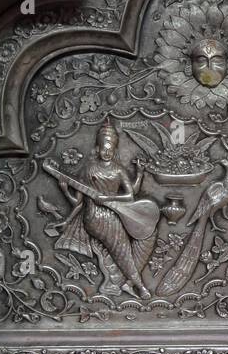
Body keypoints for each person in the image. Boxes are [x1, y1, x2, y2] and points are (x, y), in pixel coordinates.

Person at [54, 116, 155, 300]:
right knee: (122, 251)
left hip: (114, 214)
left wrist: (137, 175)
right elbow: (78, 203)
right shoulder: (89, 169)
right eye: (104, 148)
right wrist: (64, 190)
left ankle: (123, 283)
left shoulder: (118, 170)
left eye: (110, 148)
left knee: (131, 246)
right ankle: (139, 286)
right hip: (95, 218)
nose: (107, 152)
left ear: (114, 149)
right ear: (98, 148)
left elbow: (130, 195)